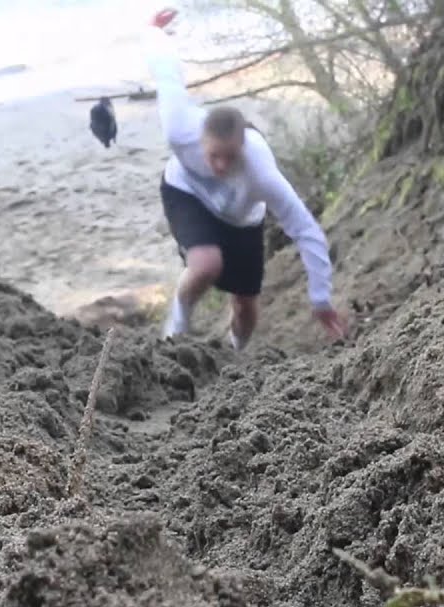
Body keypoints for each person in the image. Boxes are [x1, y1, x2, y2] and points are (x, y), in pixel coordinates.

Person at [144, 7, 347, 350]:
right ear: (200, 141)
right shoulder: (180, 129)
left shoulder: (260, 171)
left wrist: (321, 298)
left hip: (242, 220)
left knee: (246, 305)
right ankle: (175, 328)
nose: (221, 166)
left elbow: (305, 229)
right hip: (187, 193)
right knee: (206, 263)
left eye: (231, 157)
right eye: (213, 157)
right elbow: (167, 76)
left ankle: (235, 354)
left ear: (244, 145)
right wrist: (152, 33)